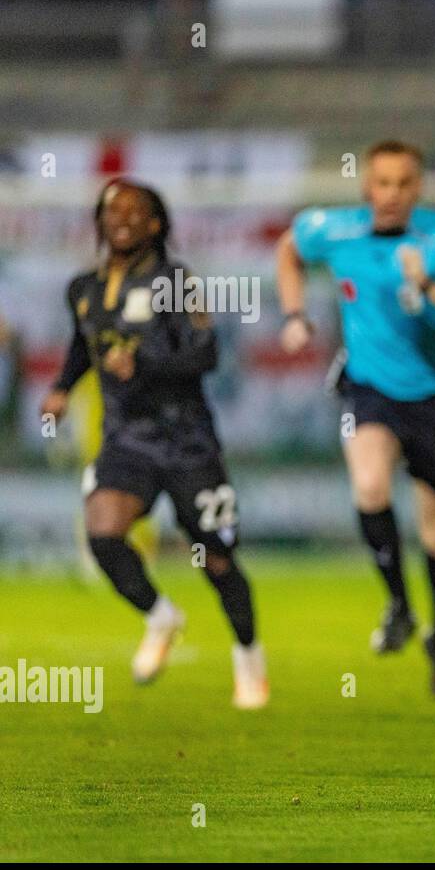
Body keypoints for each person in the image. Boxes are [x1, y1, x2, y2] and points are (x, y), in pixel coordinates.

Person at [275, 140, 435, 696]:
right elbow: (288, 248)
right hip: (369, 391)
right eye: (382, 182)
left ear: (417, 189)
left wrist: (428, 285)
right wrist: (295, 314)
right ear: (365, 186)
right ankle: (398, 603)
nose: (391, 194)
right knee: (370, 486)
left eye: (403, 183)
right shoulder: (336, 229)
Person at [40, 179, 267, 708]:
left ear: (156, 223)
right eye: (110, 208)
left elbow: (206, 356)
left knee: (218, 561)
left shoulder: (177, 282)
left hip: (188, 442)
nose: (120, 216)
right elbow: (83, 345)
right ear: (98, 221)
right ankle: (161, 617)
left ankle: (249, 661)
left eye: (133, 209)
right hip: (127, 442)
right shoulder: (82, 288)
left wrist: (144, 364)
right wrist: (60, 387)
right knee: (103, 533)